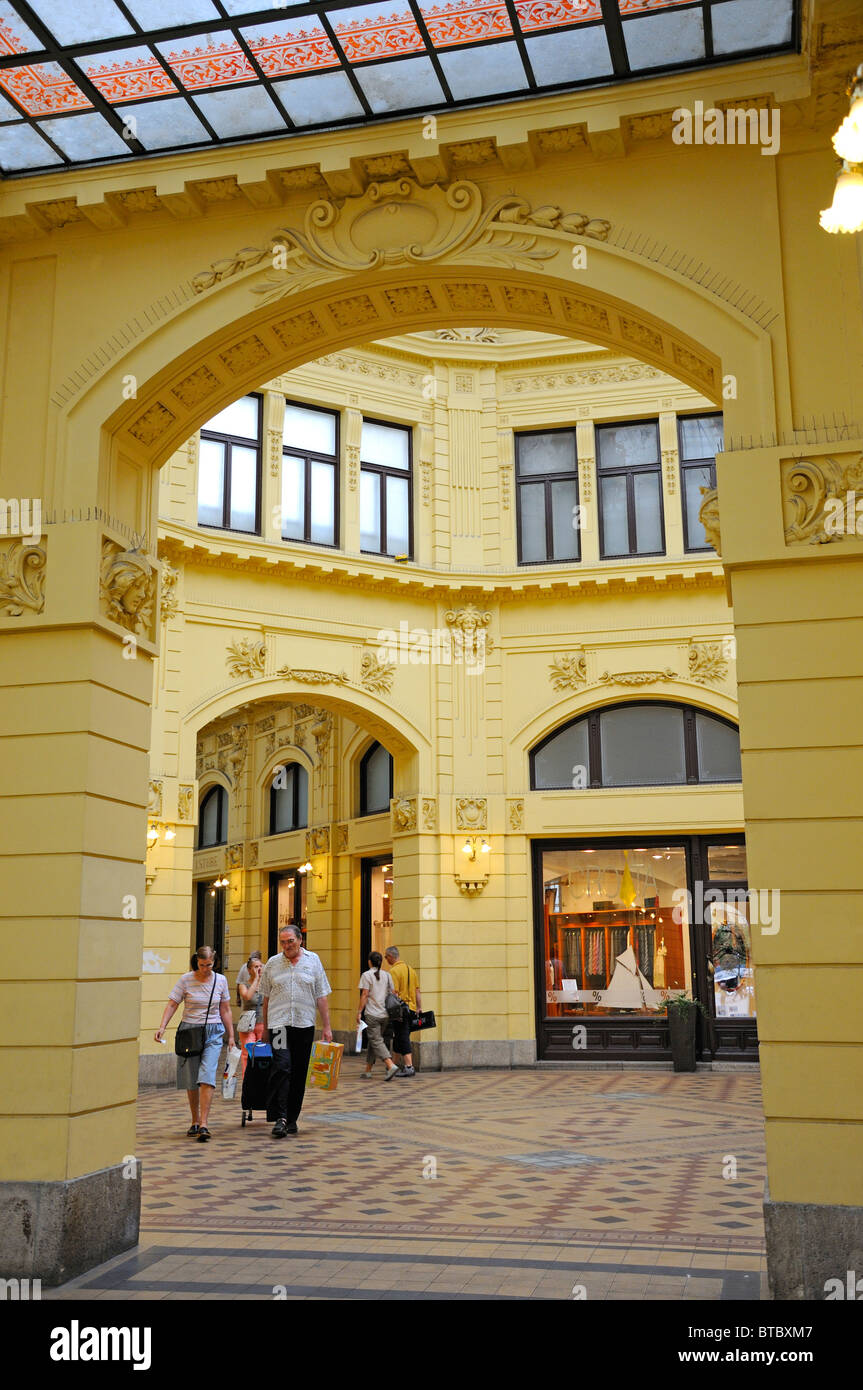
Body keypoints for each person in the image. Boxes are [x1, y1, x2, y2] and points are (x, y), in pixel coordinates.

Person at [155, 945, 234, 1142]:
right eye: (202, 965)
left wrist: (231, 1036)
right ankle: (195, 1120)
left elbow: (225, 1009)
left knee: (207, 1074)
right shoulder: (186, 979)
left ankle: (205, 1123)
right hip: (190, 1031)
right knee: (191, 1078)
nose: (206, 969)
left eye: (209, 965)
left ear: (214, 962)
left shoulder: (221, 980)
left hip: (213, 1032)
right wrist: (162, 1026)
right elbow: (173, 1003)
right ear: (196, 962)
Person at [261, 925, 332, 1138]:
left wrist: (327, 1026)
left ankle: (292, 1118)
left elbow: (321, 996)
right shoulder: (272, 964)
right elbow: (265, 999)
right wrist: (265, 1028)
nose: (286, 946)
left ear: (300, 940)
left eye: (290, 941)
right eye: (283, 942)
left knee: (299, 1072)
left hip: (304, 1025)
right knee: (282, 1067)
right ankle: (280, 1117)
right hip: (279, 1025)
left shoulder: (313, 961)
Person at [357, 952, 400, 1081]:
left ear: (370, 962)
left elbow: (364, 994)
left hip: (372, 1014)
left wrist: (359, 1011)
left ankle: (390, 1064)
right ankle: (368, 1070)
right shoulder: (387, 975)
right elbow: (393, 993)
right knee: (373, 1040)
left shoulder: (366, 975)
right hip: (385, 1014)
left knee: (376, 1040)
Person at [384, 945, 422, 1078]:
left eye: (386, 957)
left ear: (390, 956)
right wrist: (418, 1007)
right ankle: (393, 1065)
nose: (385, 959)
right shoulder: (411, 970)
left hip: (400, 1010)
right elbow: (417, 990)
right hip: (411, 1008)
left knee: (403, 1036)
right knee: (399, 1036)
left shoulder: (394, 971)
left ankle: (409, 1066)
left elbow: (394, 993)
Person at [237, 951, 264, 1077]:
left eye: (260, 966)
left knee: (262, 1053)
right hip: (248, 1025)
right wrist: (256, 980)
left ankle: (260, 1081)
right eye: (255, 967)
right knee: (247, 1053)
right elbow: (247, 996)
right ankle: (247, 1082)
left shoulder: (266, 984)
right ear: (249, 970)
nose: (259, 969)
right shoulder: (244, 985)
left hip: (263, 1024)